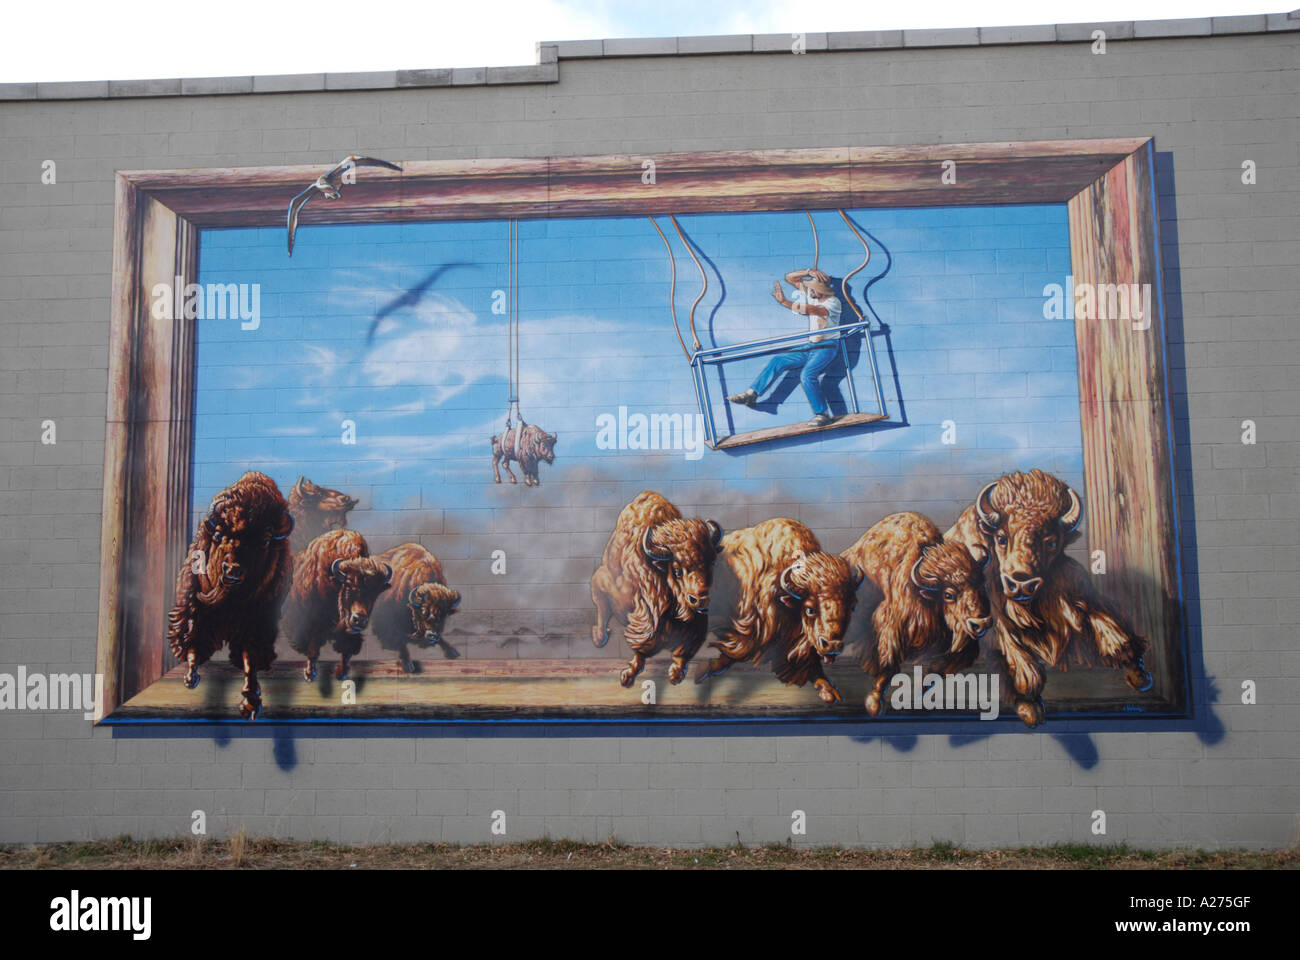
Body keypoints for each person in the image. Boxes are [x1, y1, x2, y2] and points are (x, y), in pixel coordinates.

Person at [727, 267, 842, 427]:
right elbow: (790, 278)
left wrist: (785, 302)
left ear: (820, 291)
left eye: (812, 289)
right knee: (778, 360)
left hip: (826, 347)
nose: (810, 291)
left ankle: (822, 415)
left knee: (807, 376)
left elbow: (812, 311)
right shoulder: (814, 295)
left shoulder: (833, 302)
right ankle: (751, 394)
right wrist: (808, 272)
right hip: (811, 346)